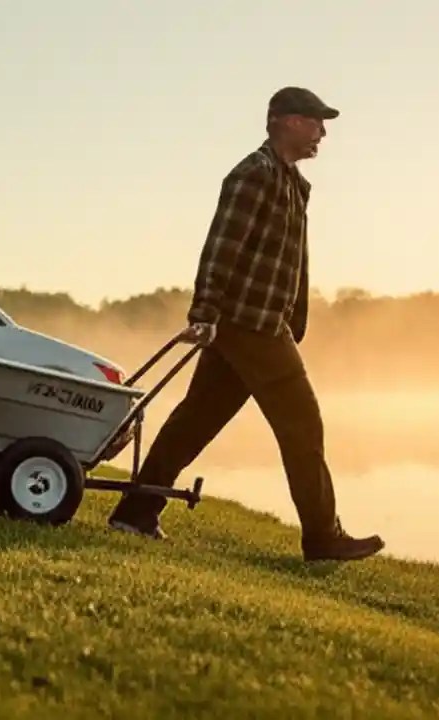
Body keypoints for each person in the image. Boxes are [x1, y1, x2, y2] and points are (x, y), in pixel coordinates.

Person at [106, 86, 385, 562]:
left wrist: (295, 316)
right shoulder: (252, 175)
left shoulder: (292, 183)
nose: (323, 132)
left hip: (261, 324)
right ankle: (322, 537)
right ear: (288, 121)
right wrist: (204, 312)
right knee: (303, 425)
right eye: (317, 121)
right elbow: (222, 246)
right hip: (248, 324)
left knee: (194, 421)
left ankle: (135, 512)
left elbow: (292, 259)